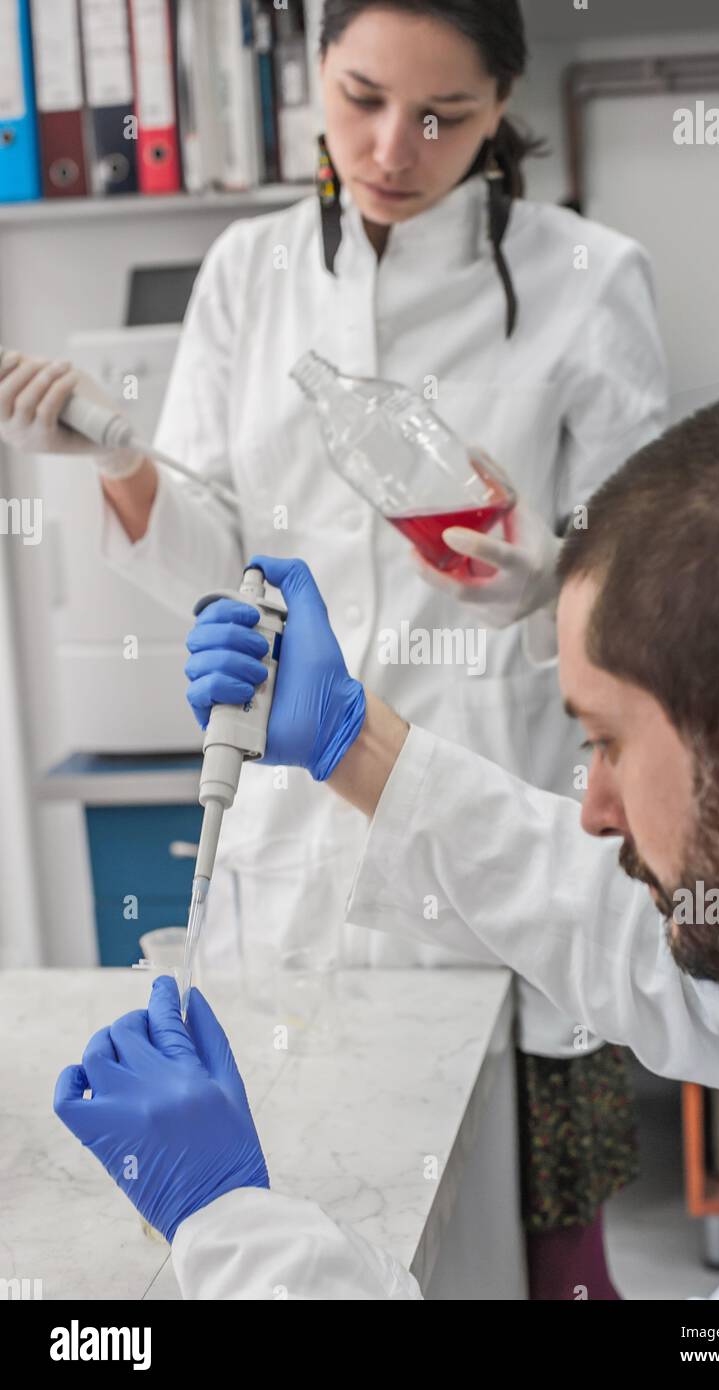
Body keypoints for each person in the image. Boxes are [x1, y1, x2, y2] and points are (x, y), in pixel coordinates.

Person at [4, 0, 668, 1299]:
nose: (390, 145)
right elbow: (217, 557)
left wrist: (535, 563)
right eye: (360, 97)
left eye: (442, 116)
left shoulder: (592, 278)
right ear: (313, 70)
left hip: (497, 824)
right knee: (303, 1201)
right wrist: (125, 460)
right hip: (288, 840)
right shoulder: (248, 272)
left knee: (543, 1252)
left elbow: (641, 581)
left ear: (503, 110)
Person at [56, 385, 719, 1299]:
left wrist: (228, 1223)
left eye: (605, 742)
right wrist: (349, 741)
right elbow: (654, 947)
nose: (593, 809)